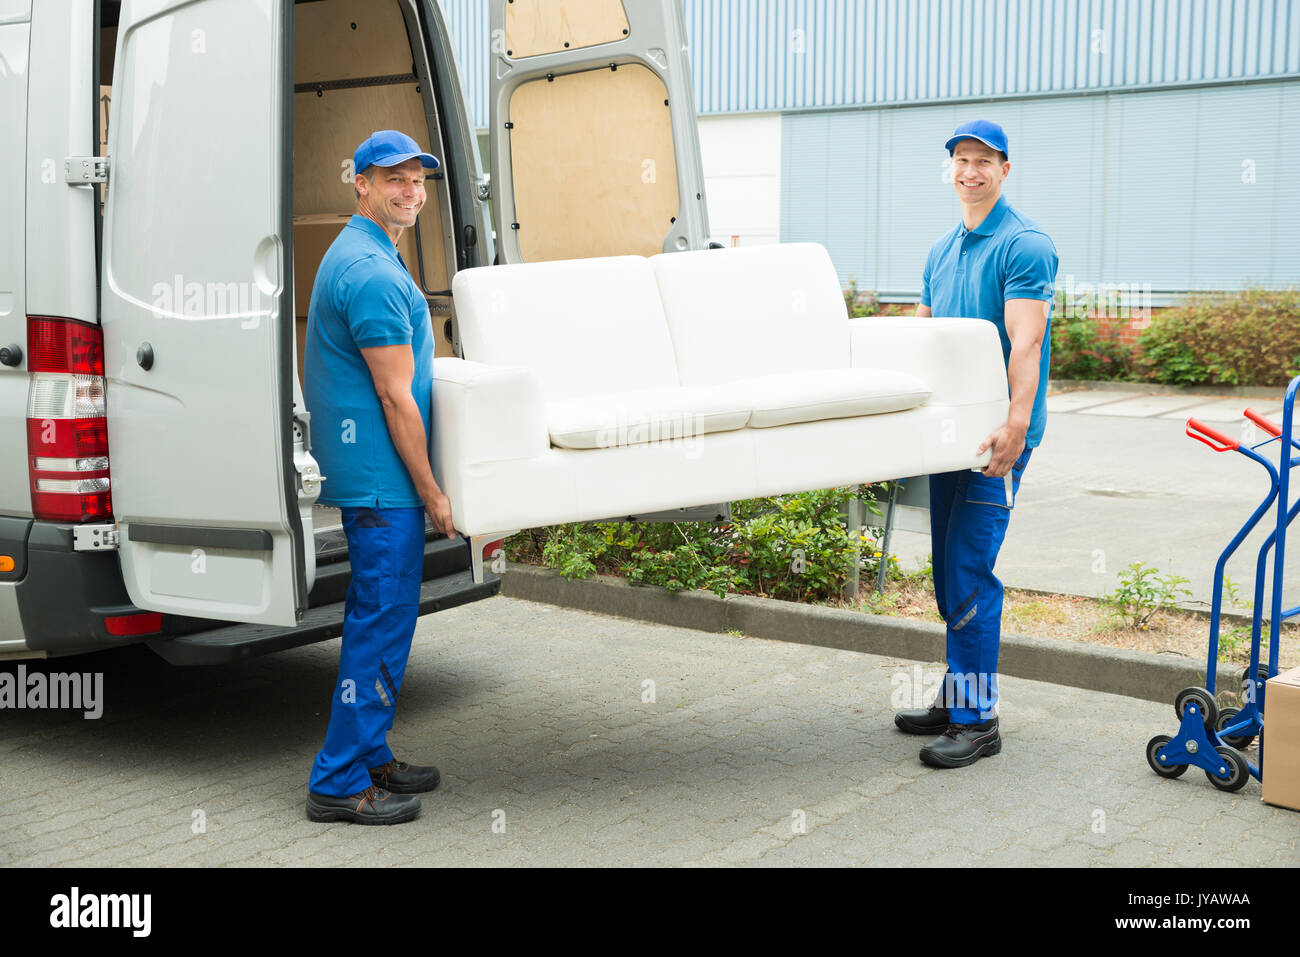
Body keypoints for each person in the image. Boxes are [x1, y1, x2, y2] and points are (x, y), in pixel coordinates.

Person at [303, 130, 459, 823]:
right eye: (393, 178)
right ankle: (337, 780)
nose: (409, 190)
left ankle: (370, 755)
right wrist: (432, 491)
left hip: (378, 477)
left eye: (417, 180)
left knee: (383, 619)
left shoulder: (367, 254)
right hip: (383, 482)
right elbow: (397, 397)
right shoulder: (369, 272)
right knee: (379, 624)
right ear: (360, 183)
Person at [894, 120, 1059, 768]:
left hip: (996, 442)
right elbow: (923, 340)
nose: (970, 171)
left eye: (983, 160)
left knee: (969, 567)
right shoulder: (940, 251)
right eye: (961, 160)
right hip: (947, 437)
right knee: (946, 566)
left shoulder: (1026, 244)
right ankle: (956, 694)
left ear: (1005, 169)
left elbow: (1026, 341)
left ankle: (979, 720)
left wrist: (1017, 424)